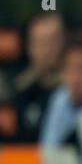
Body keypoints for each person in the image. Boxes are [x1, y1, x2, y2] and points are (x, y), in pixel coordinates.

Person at [9, 13, 66, 143]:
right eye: (41, 42)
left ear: (64, 43)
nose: (47, 49)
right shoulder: (17, 90)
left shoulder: (76, 91)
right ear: (29, 47)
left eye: (53, 41)